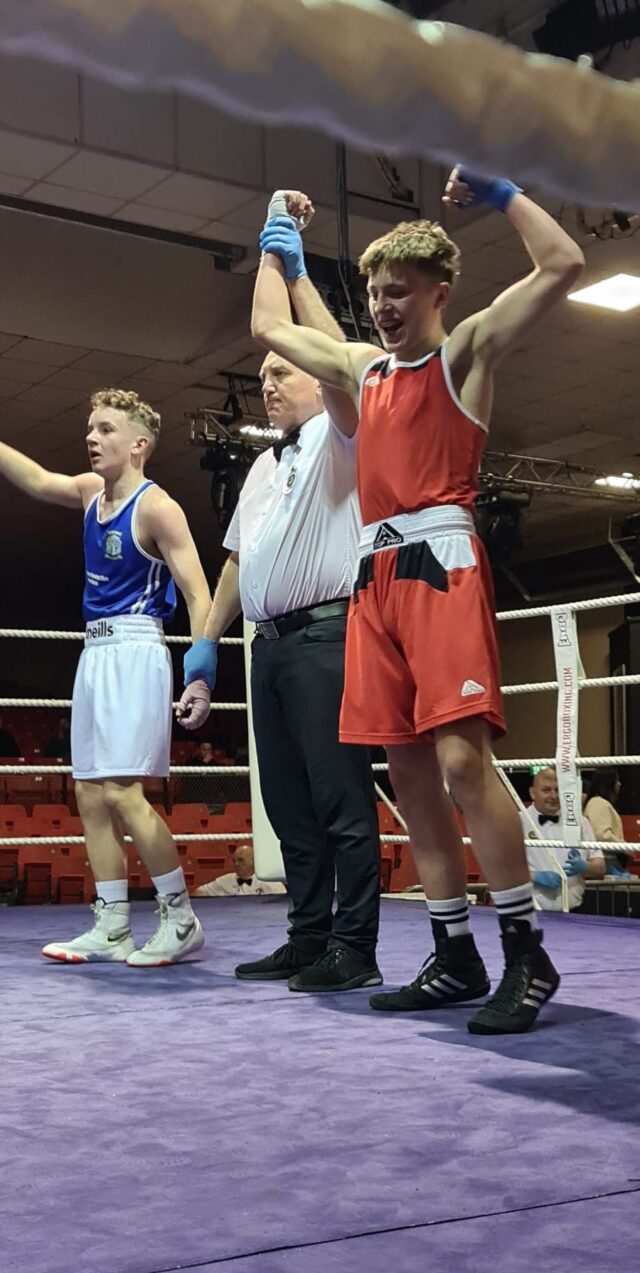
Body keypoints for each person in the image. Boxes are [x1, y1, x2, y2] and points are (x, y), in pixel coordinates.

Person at [253, 169, 585, 1033]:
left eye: (397, 292)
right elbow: (266, 326)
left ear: (437, 291)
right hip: (373, 582)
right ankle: (454, 954)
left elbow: (563, 265)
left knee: (463, 765)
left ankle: (525, 952)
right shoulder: (363, 372)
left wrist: (507, 195)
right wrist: (272, 243)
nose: (381, 307)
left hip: (442, 565)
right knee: (405, 775)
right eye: (372, 293)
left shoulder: (463, 351)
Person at [179, 192, 381, 993]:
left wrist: (288, 261)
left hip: (329, 638)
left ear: (315, 374)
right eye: (259, 375)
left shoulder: (343, 434)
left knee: (339, 800)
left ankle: (356, 946)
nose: (265, 383)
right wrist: (203, 649)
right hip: (267, 647)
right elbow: (235, 564)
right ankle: (308, 937)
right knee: (291, 810)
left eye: (278, 370)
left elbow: (339, 354)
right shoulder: (264, 466)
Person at [0, 388, 212, 966]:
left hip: (139, 649)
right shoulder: (93, 494)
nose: (92, 438)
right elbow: (42, 481)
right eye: (90, 427)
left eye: (105, 429)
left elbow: (198, 592)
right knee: (90, 795)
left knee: (123, 790)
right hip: (94, 653)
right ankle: (113, 924)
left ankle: (180, 917)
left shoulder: (158, 507)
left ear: (138, 444)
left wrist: (200, 673)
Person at [522, 768, 604, 911]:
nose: (554, 796)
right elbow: (500, 868)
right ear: (533, 793)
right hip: (531, 912)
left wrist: (585, 867)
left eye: (558, 790)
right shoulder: (518, 821)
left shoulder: (580, 822)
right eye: (546, 790)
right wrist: (533, 876)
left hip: (575, 912)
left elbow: (600, 868)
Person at [584, 770, 633, 876]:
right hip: (606, 860)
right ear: (609, 783)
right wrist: (625, 847)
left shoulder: (599, 803)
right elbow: (602, 835)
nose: (619, 784)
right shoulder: (599, 803)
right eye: (617, 780)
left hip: (608, 859)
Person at [195, 844, 286, 897]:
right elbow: (198, 892)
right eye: (234, 861)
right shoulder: (225, 881)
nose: (236, 864)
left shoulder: (270, 882)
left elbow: (282, 901)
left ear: (254, 861)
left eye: (241, 860)